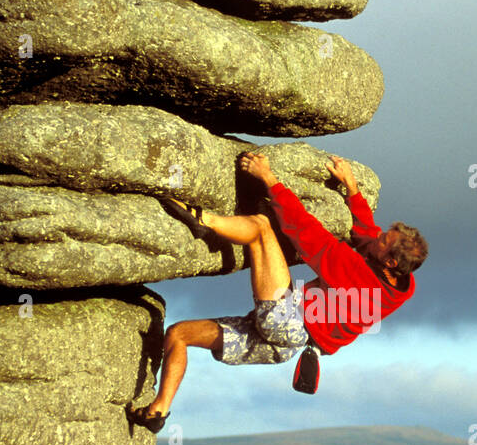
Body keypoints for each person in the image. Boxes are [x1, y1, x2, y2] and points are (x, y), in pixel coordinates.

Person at [128, 151, 428, 430]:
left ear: (389, 259)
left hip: (288, 321)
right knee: (179, 334)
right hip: (287, 348)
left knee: (261, 228)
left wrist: (269, 178)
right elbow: (366, 235)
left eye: (384, 239)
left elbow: (308, 232)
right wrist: (351, 187)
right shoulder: (400, 284)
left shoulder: (357, 275)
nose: (378, 235)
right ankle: (159, 410)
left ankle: (203, 221)